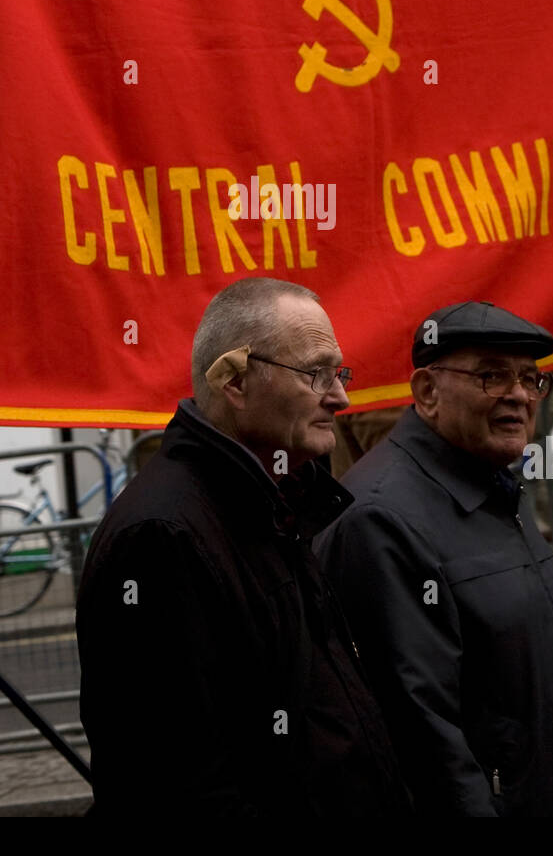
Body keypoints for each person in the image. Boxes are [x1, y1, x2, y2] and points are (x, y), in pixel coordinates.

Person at [75, 277, 410, 817]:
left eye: (338, 372)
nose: (340, 396)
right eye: (314, 373)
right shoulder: (162, 536)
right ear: (233, 382)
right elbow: (175, 783)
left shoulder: (277, 497)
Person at [315, 301, 553, 816]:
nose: (517, 395)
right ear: (427, 392)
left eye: (529, 379)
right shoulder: (382, 520)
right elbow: (422, 739)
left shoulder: (490, 480)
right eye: (491, 376)